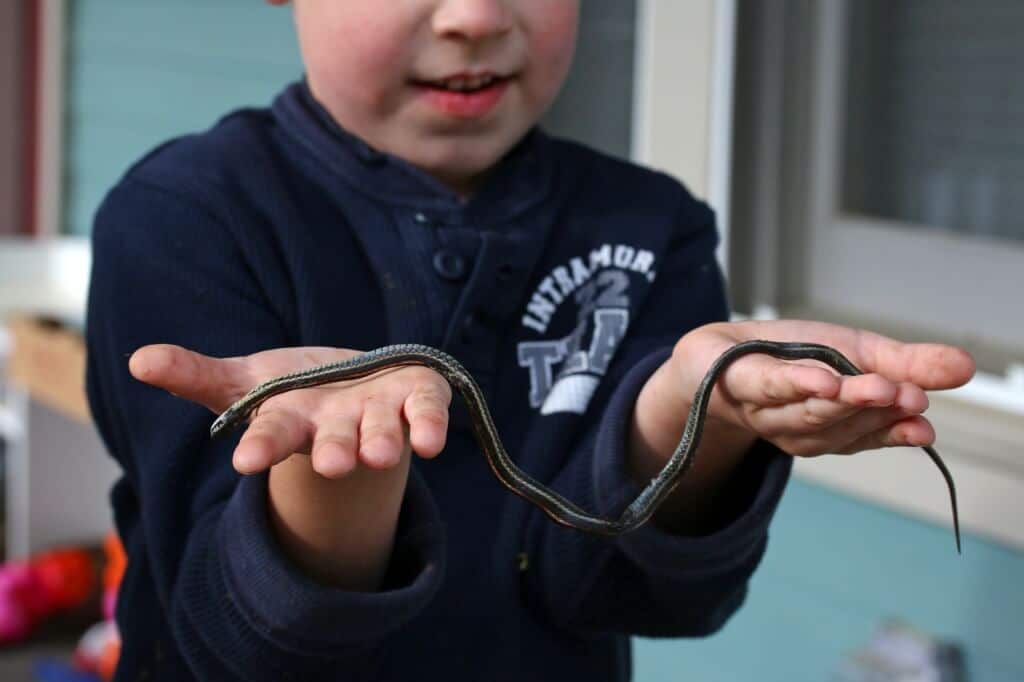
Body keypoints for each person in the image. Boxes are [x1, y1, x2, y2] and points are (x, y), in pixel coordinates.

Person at [83, 1, 975, 680]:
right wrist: (335, 475)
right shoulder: (182, 220)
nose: (474, 16)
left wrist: (698, 419)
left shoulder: (652, 226)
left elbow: (637, 591)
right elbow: (229, 640)